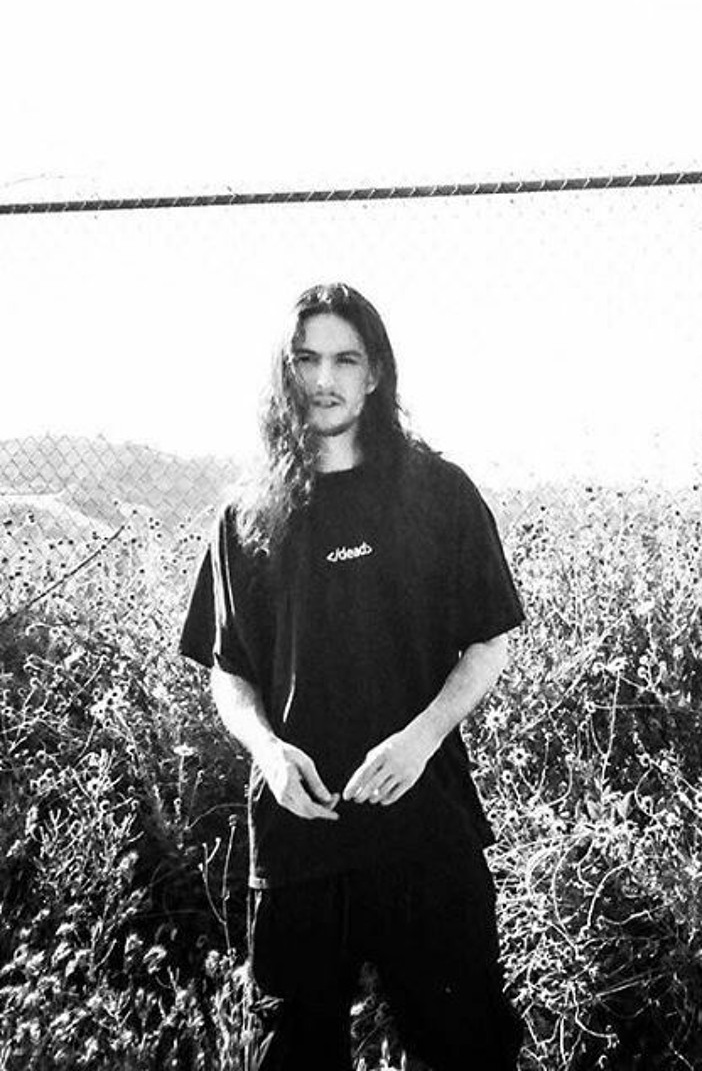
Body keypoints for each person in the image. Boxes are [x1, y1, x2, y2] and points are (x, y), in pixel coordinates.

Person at [179, 282, 525, 1071]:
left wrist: (420, 740)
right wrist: (268, 752)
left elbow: (487, 644)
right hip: (299, 842)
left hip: (424, 832)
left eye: (344, 360)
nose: (324, 380)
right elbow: (230, 675)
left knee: (469, 1048)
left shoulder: (438, 495)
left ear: (375, 374)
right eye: (306, 360)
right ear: (285, 375)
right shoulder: (246, 516)